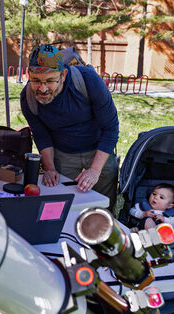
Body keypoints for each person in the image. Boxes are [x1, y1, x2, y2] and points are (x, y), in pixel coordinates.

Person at [20, 44, 120, 212]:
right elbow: (41, 135)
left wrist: (94, 171)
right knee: (63, 207)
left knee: (102, 208)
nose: (43, 89)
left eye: (50, 81)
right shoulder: (28, 98)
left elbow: (111, 128)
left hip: (99, 150)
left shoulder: (88, 81)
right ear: (28, 75)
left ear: (63, 74)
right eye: (36, 81)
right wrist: (50, 168)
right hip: (63, 153)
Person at [129, 183, 174, 247]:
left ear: (169, 206)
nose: (155, 197)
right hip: (144, 233)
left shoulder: (172, 214)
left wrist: (164, 219)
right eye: (154, 194)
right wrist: (143, 214)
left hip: (164, 235)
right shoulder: (142, 207)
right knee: (148, 220)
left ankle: (166, 243)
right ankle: (156, 242)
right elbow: (131, 211)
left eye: (161, 197)